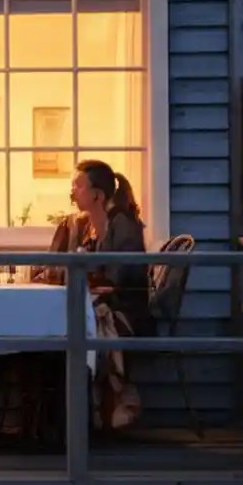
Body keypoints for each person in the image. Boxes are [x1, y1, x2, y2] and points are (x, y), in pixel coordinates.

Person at [68, 159, 151, 430]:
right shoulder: (94, 225)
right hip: (106, 303)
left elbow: (122, 277)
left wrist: (94, 281)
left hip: (127, 311)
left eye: (78, 185)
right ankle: (81, 414)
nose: (73, 191)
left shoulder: (122, 225)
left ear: (98, 195)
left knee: (84, 325)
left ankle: (100, 407)